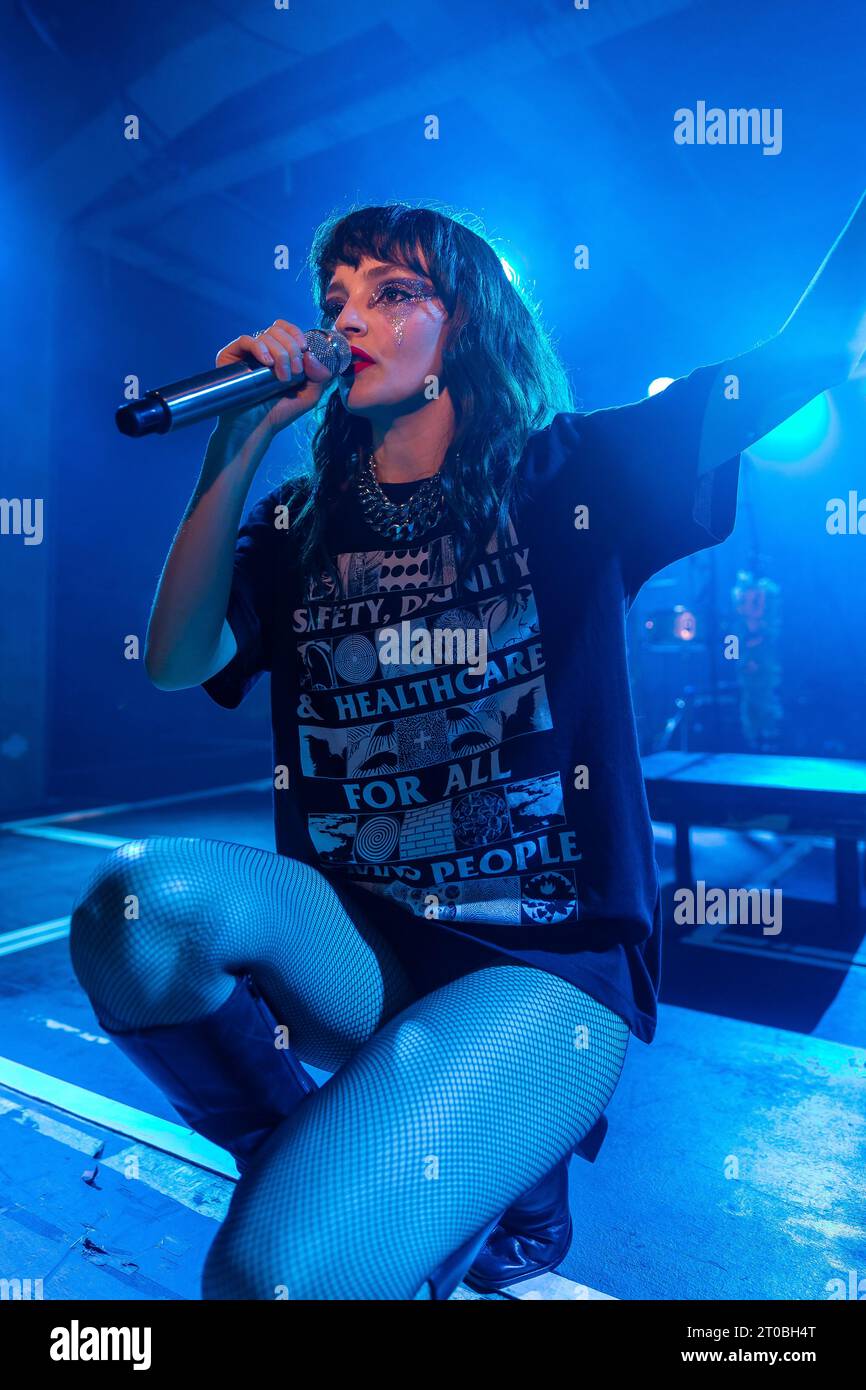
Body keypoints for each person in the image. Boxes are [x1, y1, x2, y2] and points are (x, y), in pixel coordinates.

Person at [70, 195, 866, 1301]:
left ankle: (501, 1171)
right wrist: (234, 441)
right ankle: (308, 1157)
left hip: (543, 966)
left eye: (393, 293)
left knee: (272, 1278)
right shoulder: (299, 527)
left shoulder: (578, 472)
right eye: (334, 299)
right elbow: (172, 657)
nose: (349, 319)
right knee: (136, 910)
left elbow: (807, 345)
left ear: (469, 326)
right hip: (356, 946)